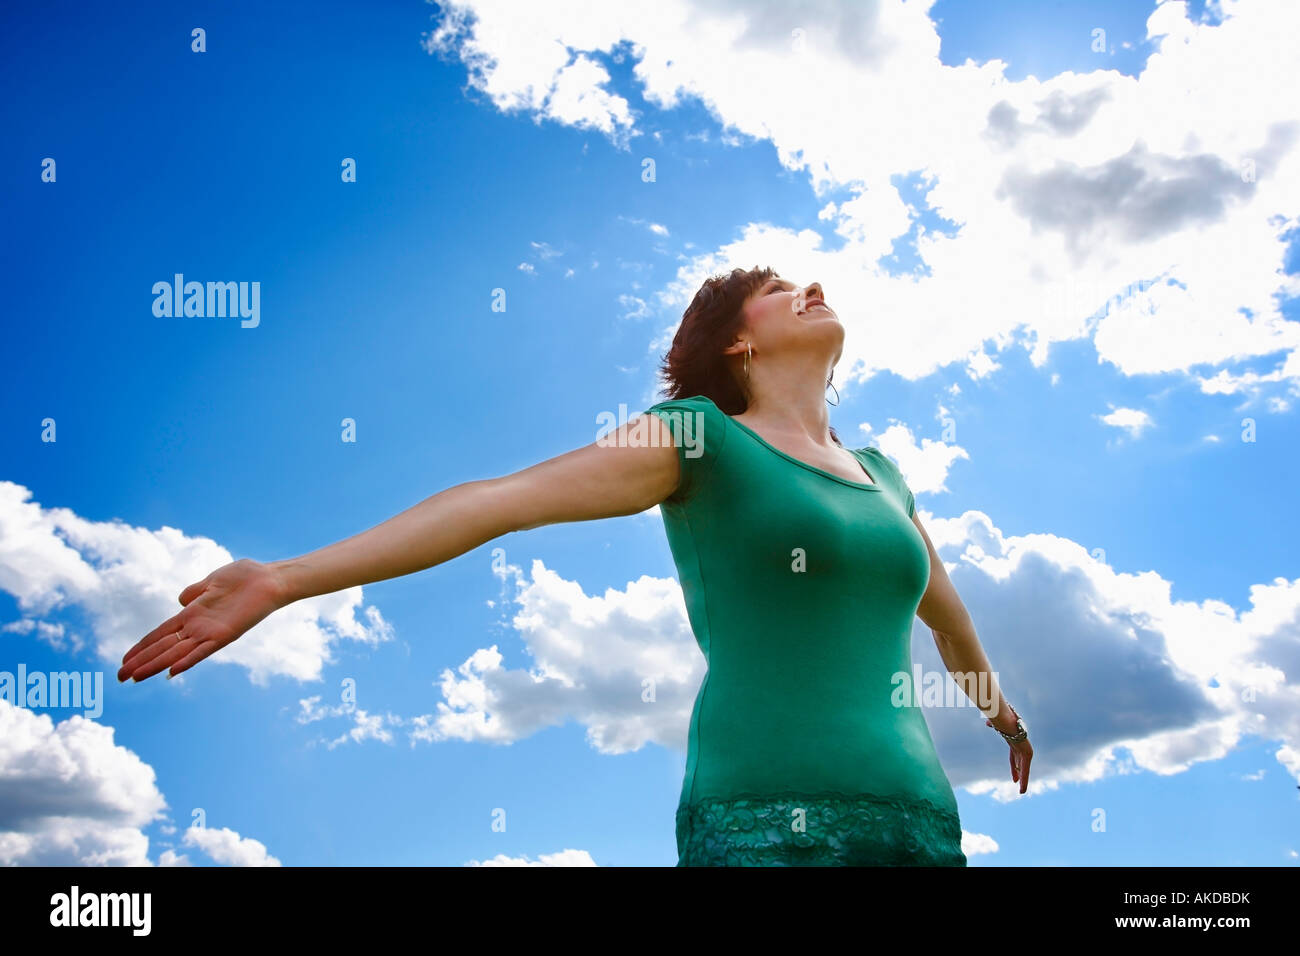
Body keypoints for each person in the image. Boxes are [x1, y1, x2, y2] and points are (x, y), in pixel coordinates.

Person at [119, 265, 1033, 866]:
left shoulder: (885, 479)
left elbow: (950, 625)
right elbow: (499, 499)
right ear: (734, 342)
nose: (813, 286)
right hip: (765, 818)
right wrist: (285, 578)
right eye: (780, 287)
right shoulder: (697, 437)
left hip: (918, 819)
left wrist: (1002, 716)